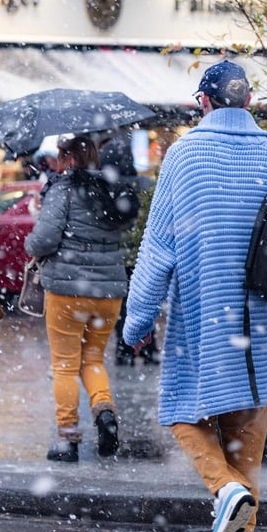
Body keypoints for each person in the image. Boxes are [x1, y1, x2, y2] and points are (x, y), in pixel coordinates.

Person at [122, 60, 267, 532]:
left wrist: (136, 321)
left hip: (203, 322)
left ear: (202, 102)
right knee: (247, 437)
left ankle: (224, 490)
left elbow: (158, 246)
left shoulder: (184, 155)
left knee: (183, 414)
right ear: (248, 101)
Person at [23, 134, 127, 463]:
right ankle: (104, 411)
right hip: (109, 291)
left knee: (65, 366)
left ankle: (67, 440)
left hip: (68, 290)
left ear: (68, 159)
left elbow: (44, 240)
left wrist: (32, 237)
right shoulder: (112, 189)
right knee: (93, 360)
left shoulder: (63, 189)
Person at [99, 135, 158, 367]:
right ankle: (149, 349)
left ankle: (124, 349)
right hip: (143, 256)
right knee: (145, 304)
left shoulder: (103, 188)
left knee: (121, 307)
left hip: (115, 257)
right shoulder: (146, 186)